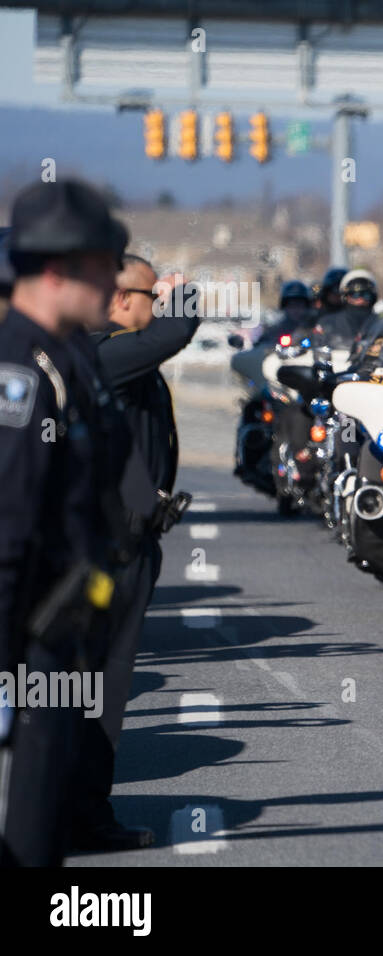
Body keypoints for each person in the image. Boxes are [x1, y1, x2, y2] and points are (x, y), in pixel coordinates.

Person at [0, 178, 136, 865]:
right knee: (24, 839)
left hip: (60, 641)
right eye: (102, 266)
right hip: (24, 650)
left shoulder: (63, 358)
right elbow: (8, 531)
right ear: (57, 270)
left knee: (46, 834)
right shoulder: (19, 372)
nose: (114, 280)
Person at [70, 254, 198, 852]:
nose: (158, 305)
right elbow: (176, 330)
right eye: (150, 295)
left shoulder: (124, 356)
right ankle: (80, 817)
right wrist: (186, 293)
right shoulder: (101, 353)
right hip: (106, 551)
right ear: (121, 300)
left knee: (104, 692)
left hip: (135, 542)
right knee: (93, 689)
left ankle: (86, 811)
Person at [314, 268, 378, 352]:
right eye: (354, 294)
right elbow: (318, 350)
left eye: (366, 294)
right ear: (345, 297)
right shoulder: (326, 324)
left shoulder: (381, 324)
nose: (360, 299)